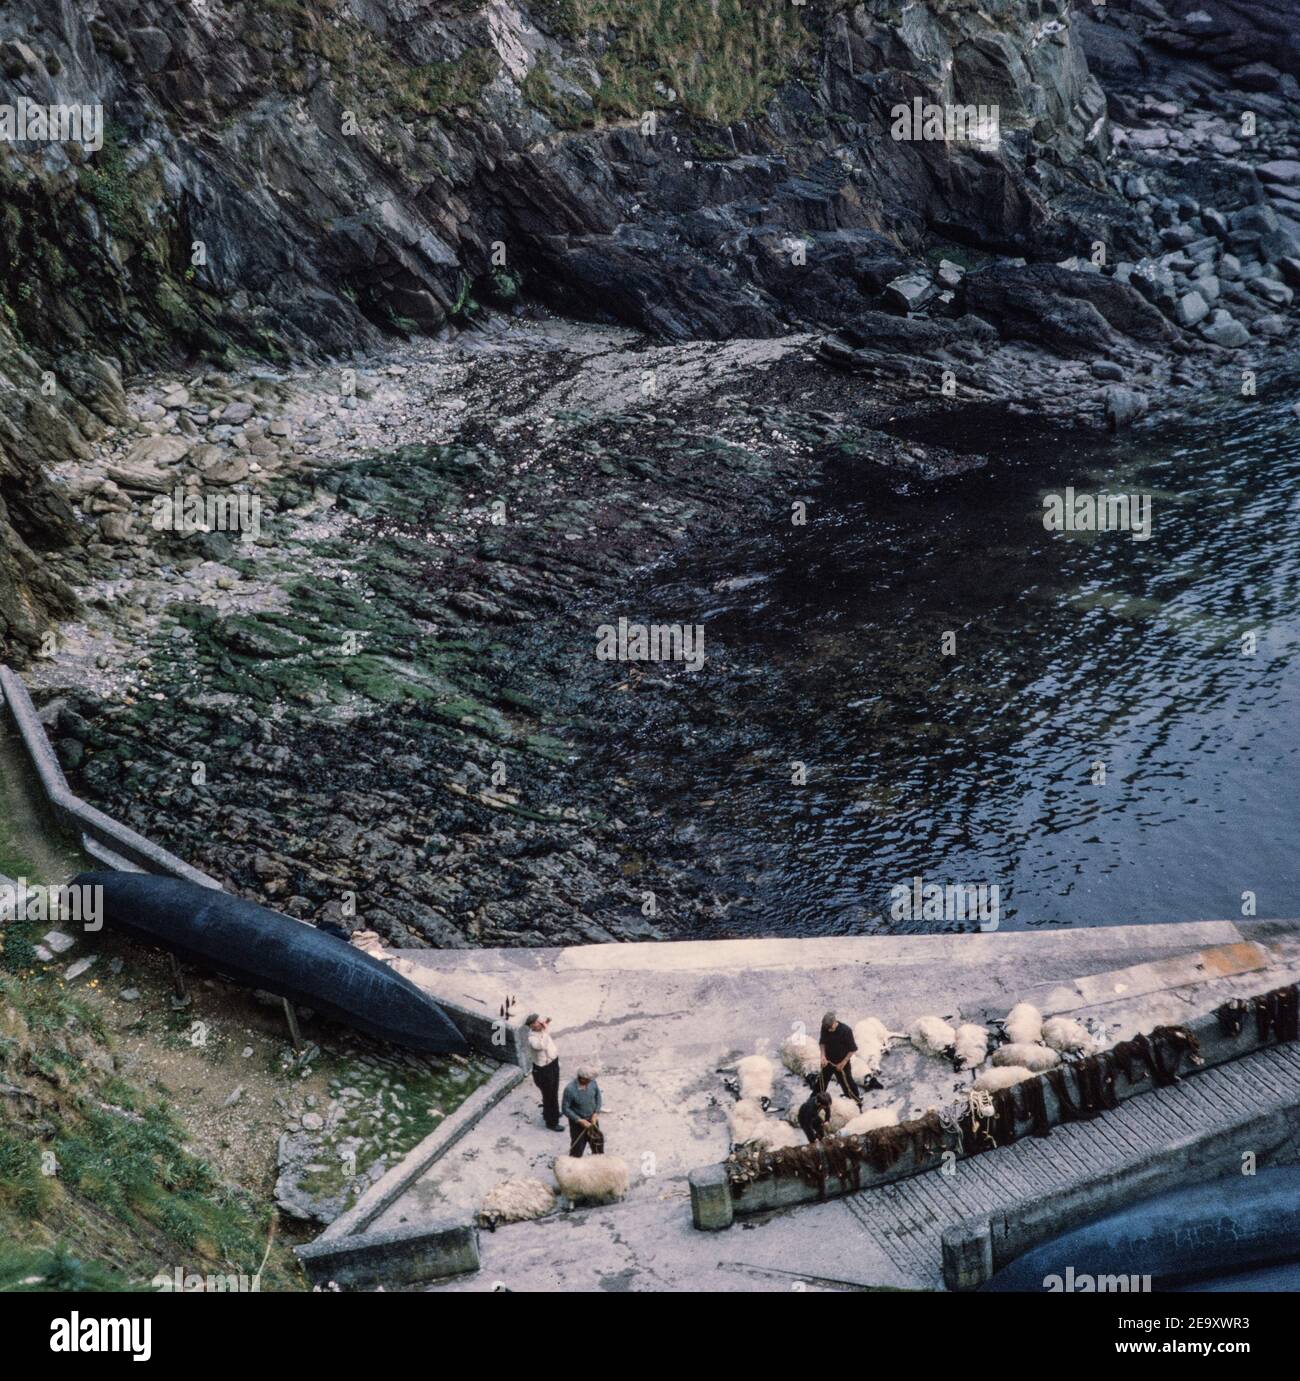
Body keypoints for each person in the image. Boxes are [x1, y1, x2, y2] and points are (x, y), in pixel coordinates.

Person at [525, 1013, 563, 1131]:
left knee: (554, 1091)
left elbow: (547, 1020)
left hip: (552, 1064)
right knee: (549, 1095)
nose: (540, 1023)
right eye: (537, 1022)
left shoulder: (540, 1030)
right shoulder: (531, 1038)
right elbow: (541, 1045)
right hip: (543, 1070)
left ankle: (553, 1112)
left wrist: (544, 1023)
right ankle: (551, 1122)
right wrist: (545, 1031)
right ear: (532, 1026)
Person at [819, 1010, 862, 1105]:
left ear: (835, 1022)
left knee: (848, 1086)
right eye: (827, 1029)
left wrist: (843, 1063)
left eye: (831, 1028)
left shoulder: (846, 1031)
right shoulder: (825, 1027)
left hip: (842, 1063)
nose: (829, 1030)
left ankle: (857, 1103)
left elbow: (852, 1049)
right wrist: (822, 1056)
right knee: (820, 1084)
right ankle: (816, 1102)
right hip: (828, 1061)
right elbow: (822, 1042)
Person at [561, 1064, 603, 1157]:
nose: (590, 1082)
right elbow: (565, 1108)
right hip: (578, 1124)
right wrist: (579, 1120)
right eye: (588, 1080)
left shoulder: (593, 1083)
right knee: (577, 1149)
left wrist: (595, 1113)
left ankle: (598, 1164)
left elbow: (598, 1097)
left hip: (592, 1120)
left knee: (598, 1145)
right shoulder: (570, 1089)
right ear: (582, 1079)